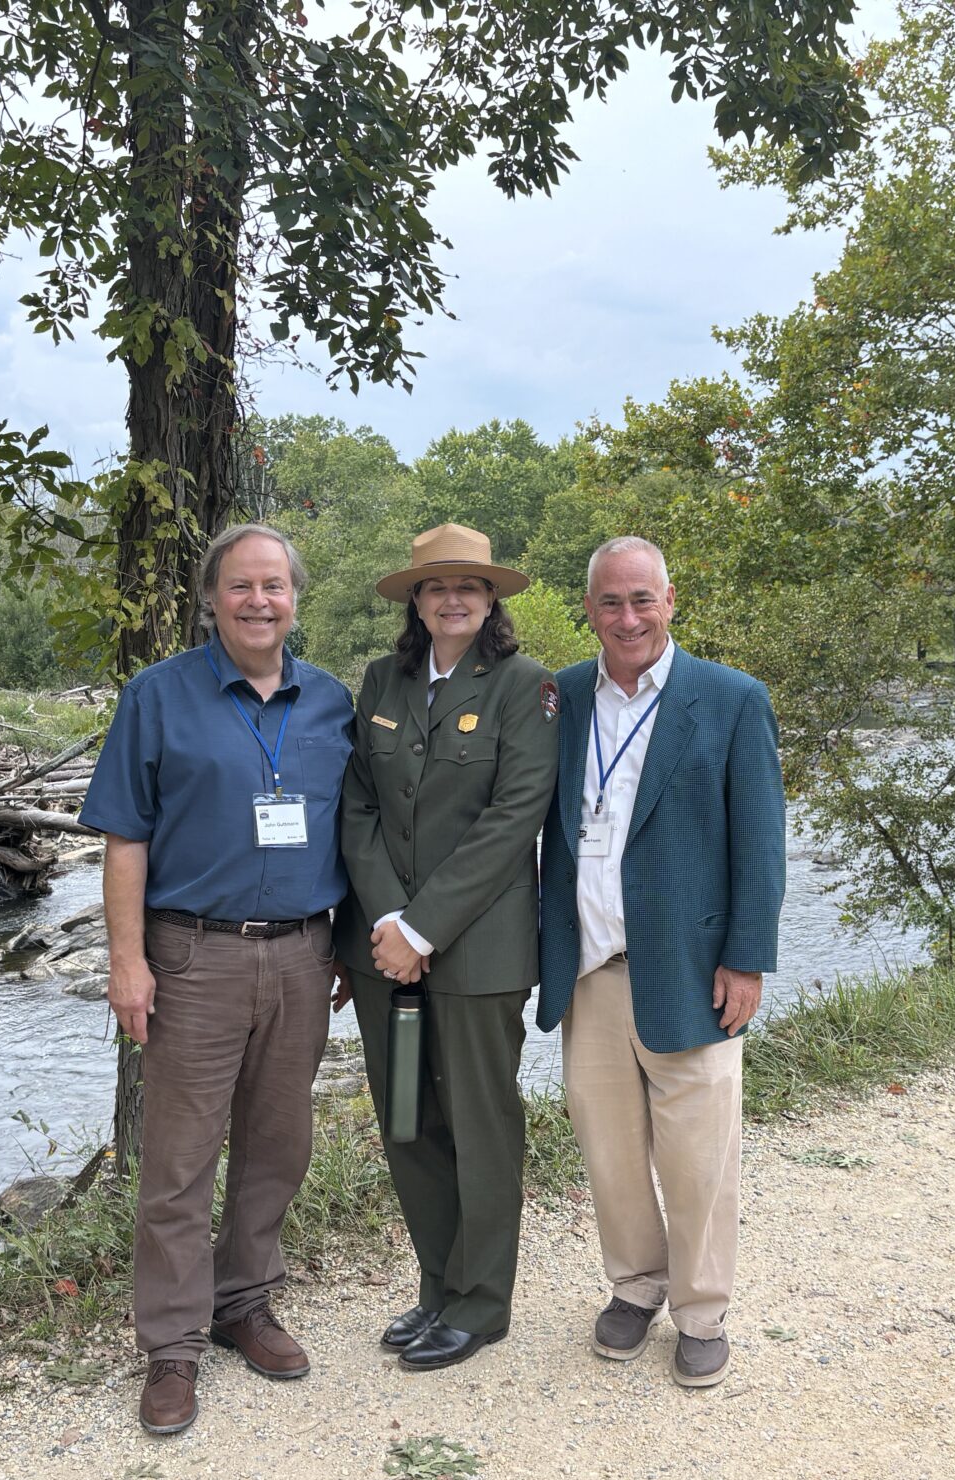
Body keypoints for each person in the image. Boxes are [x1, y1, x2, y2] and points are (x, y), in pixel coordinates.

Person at [78, 523, 355, 1437]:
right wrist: (128, 961)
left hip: (305, 953)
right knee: (179, 1161)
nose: (258, 601)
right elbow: (126, 837)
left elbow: (357, 834)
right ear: (211, 598)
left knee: (276, 1147)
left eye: (274, 585)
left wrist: (348, 940)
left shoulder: (332, 704)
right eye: (241, 586)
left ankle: (243, 1303)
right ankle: (171, 1347)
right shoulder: (157, 698)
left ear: (295, 596)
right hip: (193, 955)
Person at [536, 535, 786, 1389]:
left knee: (698, 1154)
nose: (628, 617)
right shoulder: (562, 697)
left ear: (670, 602)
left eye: (643, 600)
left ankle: (704, 1308)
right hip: (591, 972)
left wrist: (747, 959)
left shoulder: (729, 699)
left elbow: (762, 841)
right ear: (590, 608)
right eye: (611, 602)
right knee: (609, 1147)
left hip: (692, 968)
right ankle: (635, 1288)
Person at [336, 522, 559, 1370]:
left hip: (478, 954)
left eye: (470, 585)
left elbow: (514, 819)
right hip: (382, 953)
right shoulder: (380, 679)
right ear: (416, 602)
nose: (453, 598)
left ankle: (481, 1302)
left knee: (478, 1121)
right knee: (405, 1119)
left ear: (491, 598)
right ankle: (437, 1285)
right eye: (437, 587)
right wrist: (390, 926)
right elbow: (358, 808)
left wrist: (423, 928)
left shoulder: (525, 687)